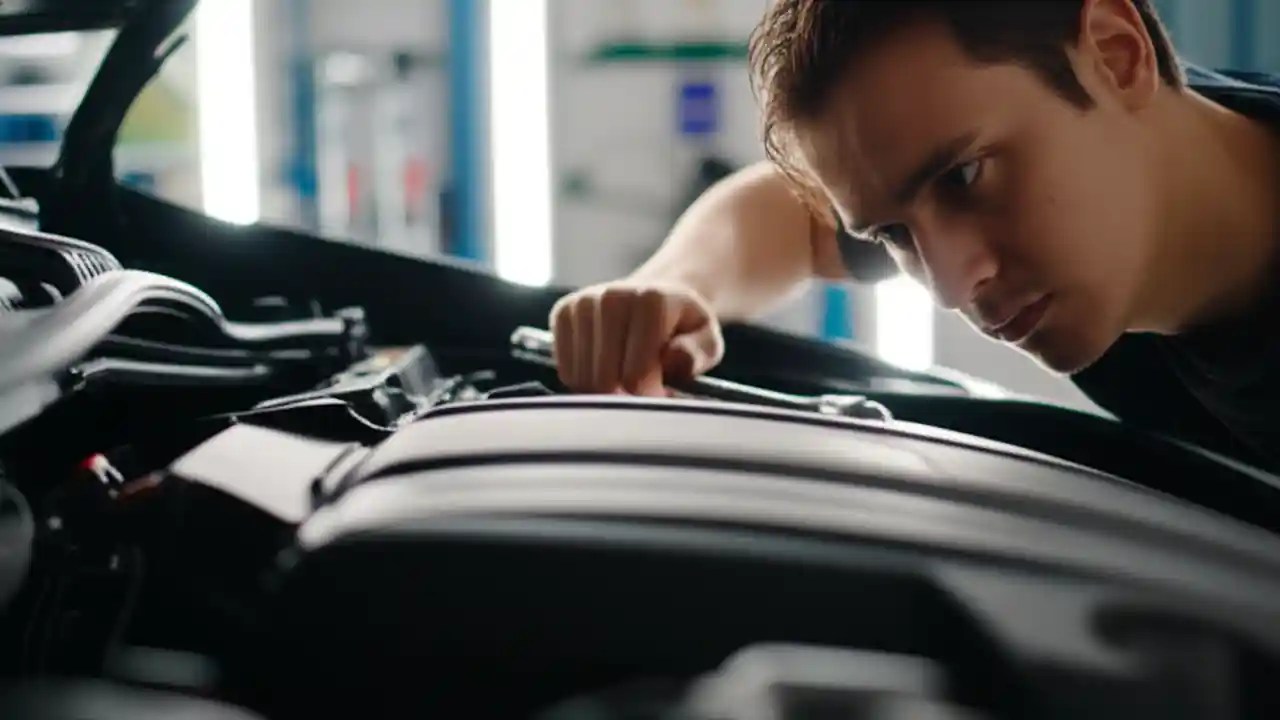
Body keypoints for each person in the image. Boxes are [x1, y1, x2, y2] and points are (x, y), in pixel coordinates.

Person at [548, 0, 1280, 470]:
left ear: (1119, 56)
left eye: (964, 176)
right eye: (895, 233)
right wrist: (676, 285)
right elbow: (786, 217)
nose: (952, 286)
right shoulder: (1141, 157)